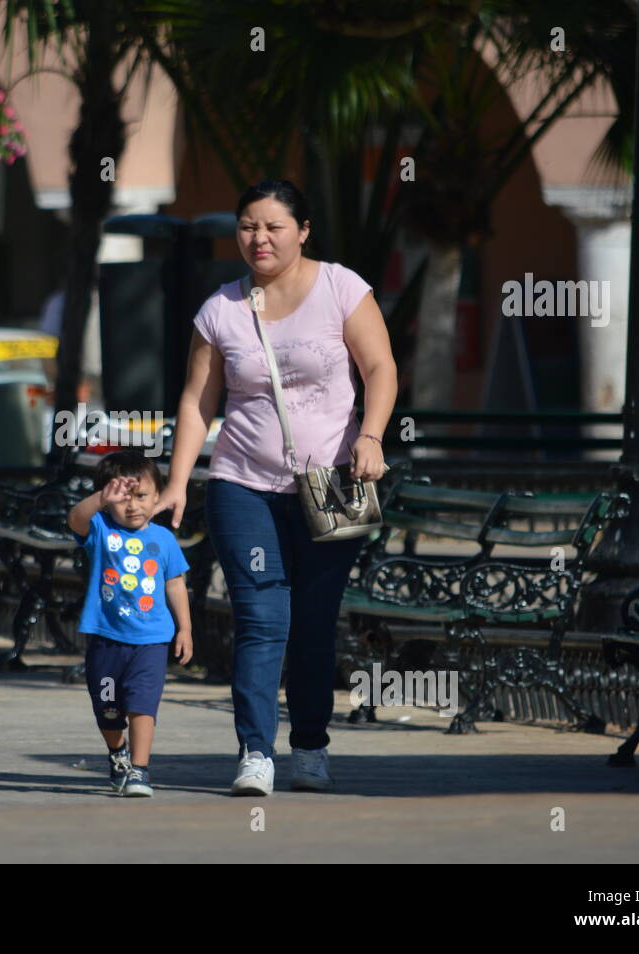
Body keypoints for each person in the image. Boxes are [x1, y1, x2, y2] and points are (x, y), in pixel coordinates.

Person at [153, 179, 398, 796]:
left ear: (303, 230)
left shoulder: (343, 288)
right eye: (246, 227)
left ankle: (310, 746)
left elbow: (380, 369)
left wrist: (370, 437)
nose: (258, 239)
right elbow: (195, 400)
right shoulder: (221, 309)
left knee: (314, 624)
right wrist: (179, 481)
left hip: (334, 484)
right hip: (243, 485)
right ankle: (255, 753)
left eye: (272, 227)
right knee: (261, 621)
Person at [67, 450, 193, 796]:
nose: (133, 505)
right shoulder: (100, 529)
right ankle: (117, 751)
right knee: (107, 709)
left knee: (142, 705)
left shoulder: (164, 539)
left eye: (141, 496)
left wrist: (185, 628)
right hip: (106, 639)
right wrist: (99, 499)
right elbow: (75, 519)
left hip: (151, 641)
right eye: (123, 498)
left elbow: (175, 583)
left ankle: (139, 770)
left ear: (157, 498)